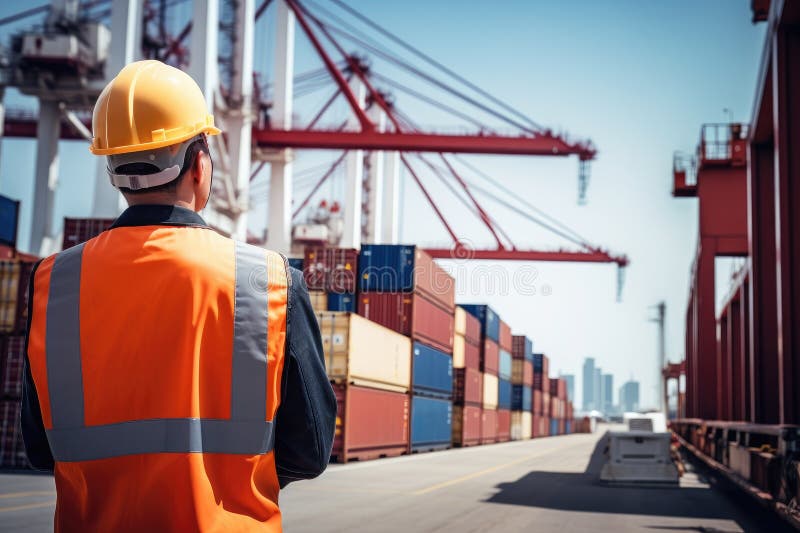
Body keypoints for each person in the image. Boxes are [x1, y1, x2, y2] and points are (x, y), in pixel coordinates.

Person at [20, 60, 336, 532]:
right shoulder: (269, 280)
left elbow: (40, 446)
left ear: (113, 168)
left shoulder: (55, 281)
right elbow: (308, 451)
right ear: (200, 162)